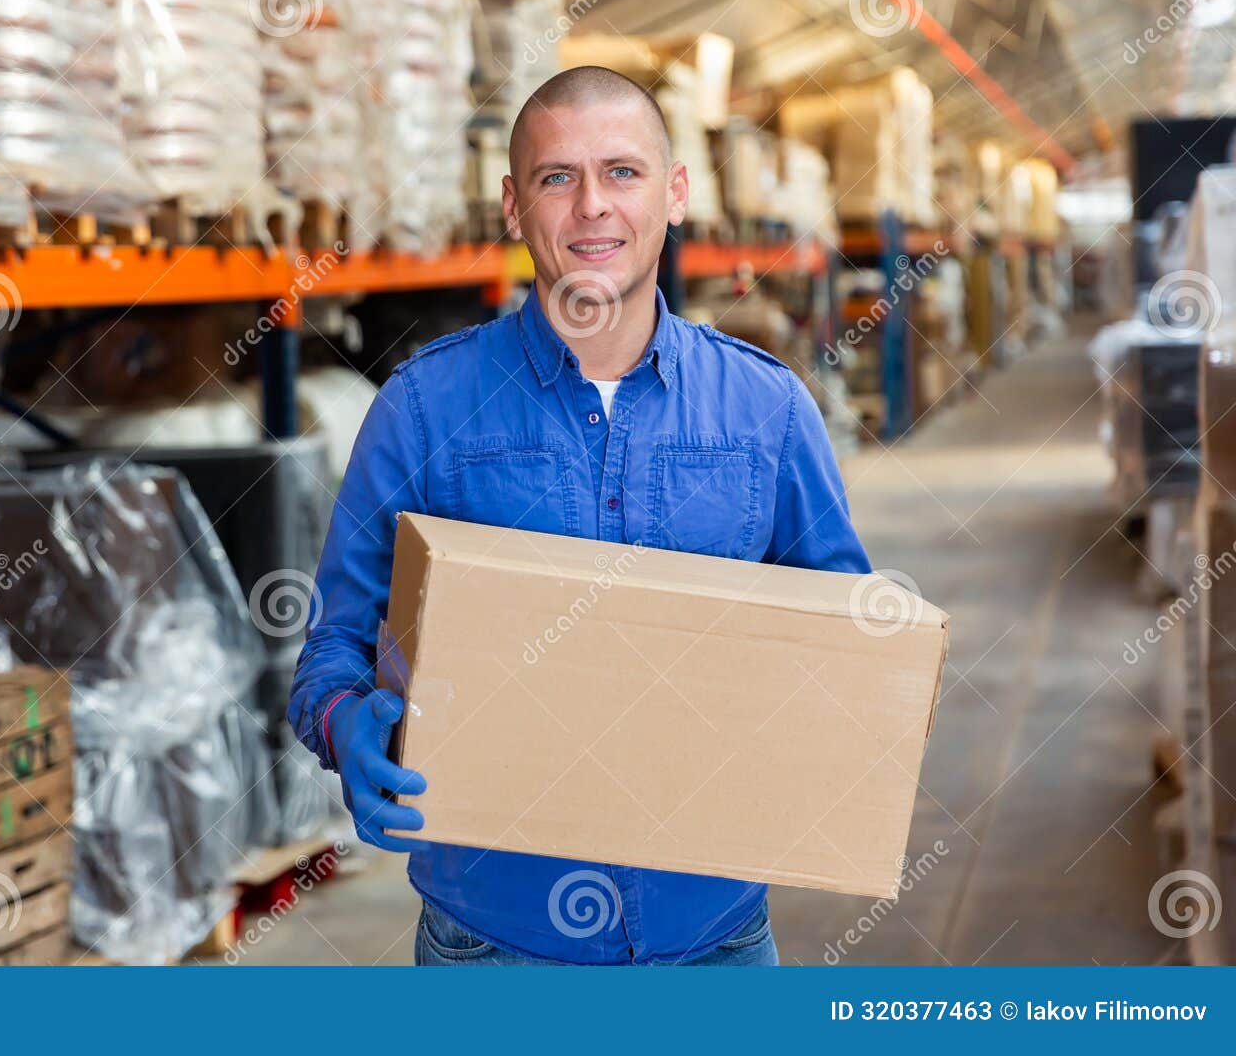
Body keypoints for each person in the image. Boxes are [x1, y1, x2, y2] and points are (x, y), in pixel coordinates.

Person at [289, 66, 871, 966]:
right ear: (515, 208)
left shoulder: (767, 410)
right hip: (493, 946)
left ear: (676, 194)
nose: (592, 205)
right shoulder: (425, 409)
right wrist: (342, 724)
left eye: (623, 172)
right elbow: (333, 645)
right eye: (558, 178)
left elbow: (847, 636)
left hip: (715, 940)